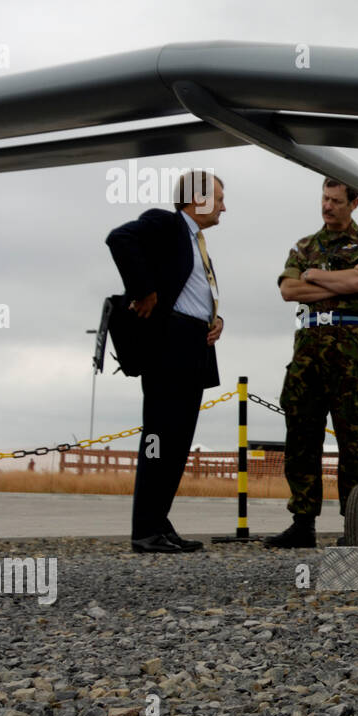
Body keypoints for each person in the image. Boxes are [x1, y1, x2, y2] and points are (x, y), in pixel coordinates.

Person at [106, 170, 226, 552]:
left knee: (177, 441)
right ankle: (145, 530)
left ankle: (159, 522)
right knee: (159, 437)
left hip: (193, 345)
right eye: (219, 198)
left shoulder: (198, 244)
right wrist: (144, 291)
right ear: (198, 199)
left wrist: (215, 319)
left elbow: (195, 293)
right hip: (168, 345)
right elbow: (119, 238)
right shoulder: (166, 223)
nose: (224, 206)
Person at [267, 177, 358, 548]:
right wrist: (341, 281)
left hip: (349, 351)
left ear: (354, 203)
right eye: (324, 199)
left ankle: (356, 525)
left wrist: (315, 275)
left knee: (351, 437)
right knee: (302, 435)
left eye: (335, 200)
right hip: (307, 350)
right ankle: (302, 523)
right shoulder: (304, 246)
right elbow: (289, 290)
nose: (327, 206)